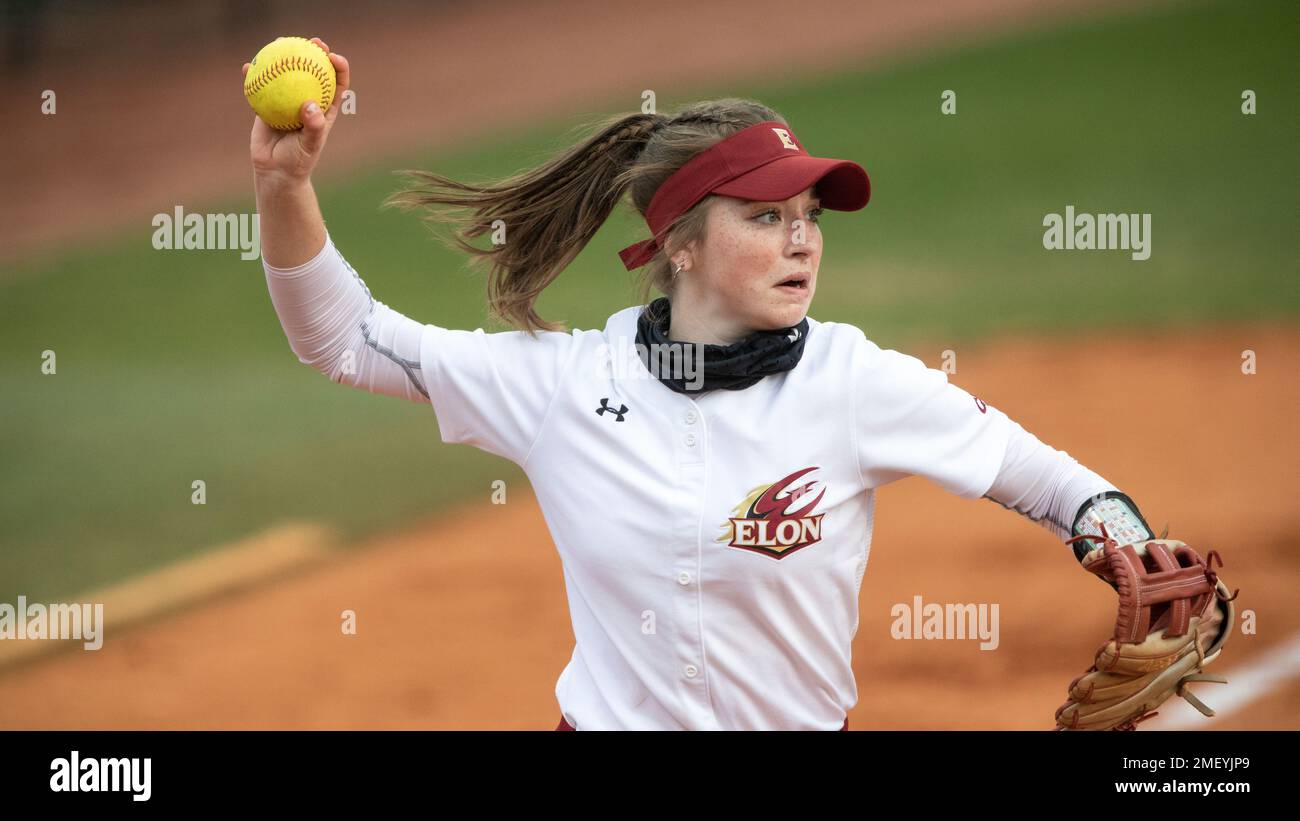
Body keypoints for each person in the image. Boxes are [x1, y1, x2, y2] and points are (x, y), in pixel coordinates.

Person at [249, 39, 1161, 731]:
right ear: (679, 245)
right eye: (765, 216)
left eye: (807, 216)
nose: (801, 238)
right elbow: (347, 339)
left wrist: (1123, 534)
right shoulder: (567, 384)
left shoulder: (853, 381)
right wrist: (281, 183)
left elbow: (1039, 476)